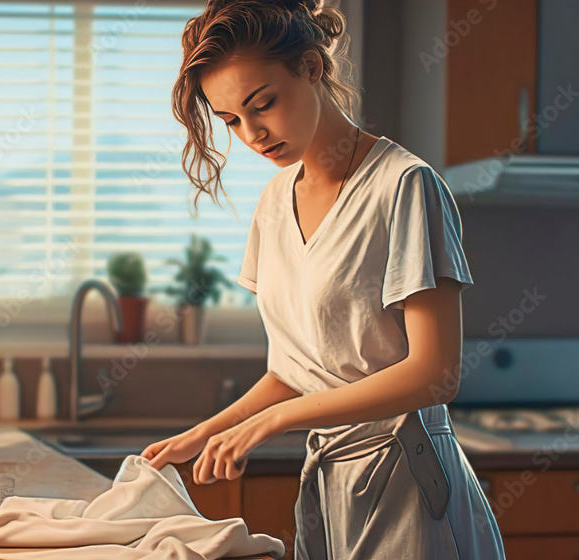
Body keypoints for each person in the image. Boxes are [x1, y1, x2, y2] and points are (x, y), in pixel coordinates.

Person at [140, 1, 506, 558]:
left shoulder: (404, 186)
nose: (252, 134)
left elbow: (436, 375)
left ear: (311, 68)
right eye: (231, 121)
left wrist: (276, 422)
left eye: (263, 104)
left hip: (409, 476)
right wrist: (205, 433)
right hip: (330, 478)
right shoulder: (273, 202)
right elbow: (294, 372)